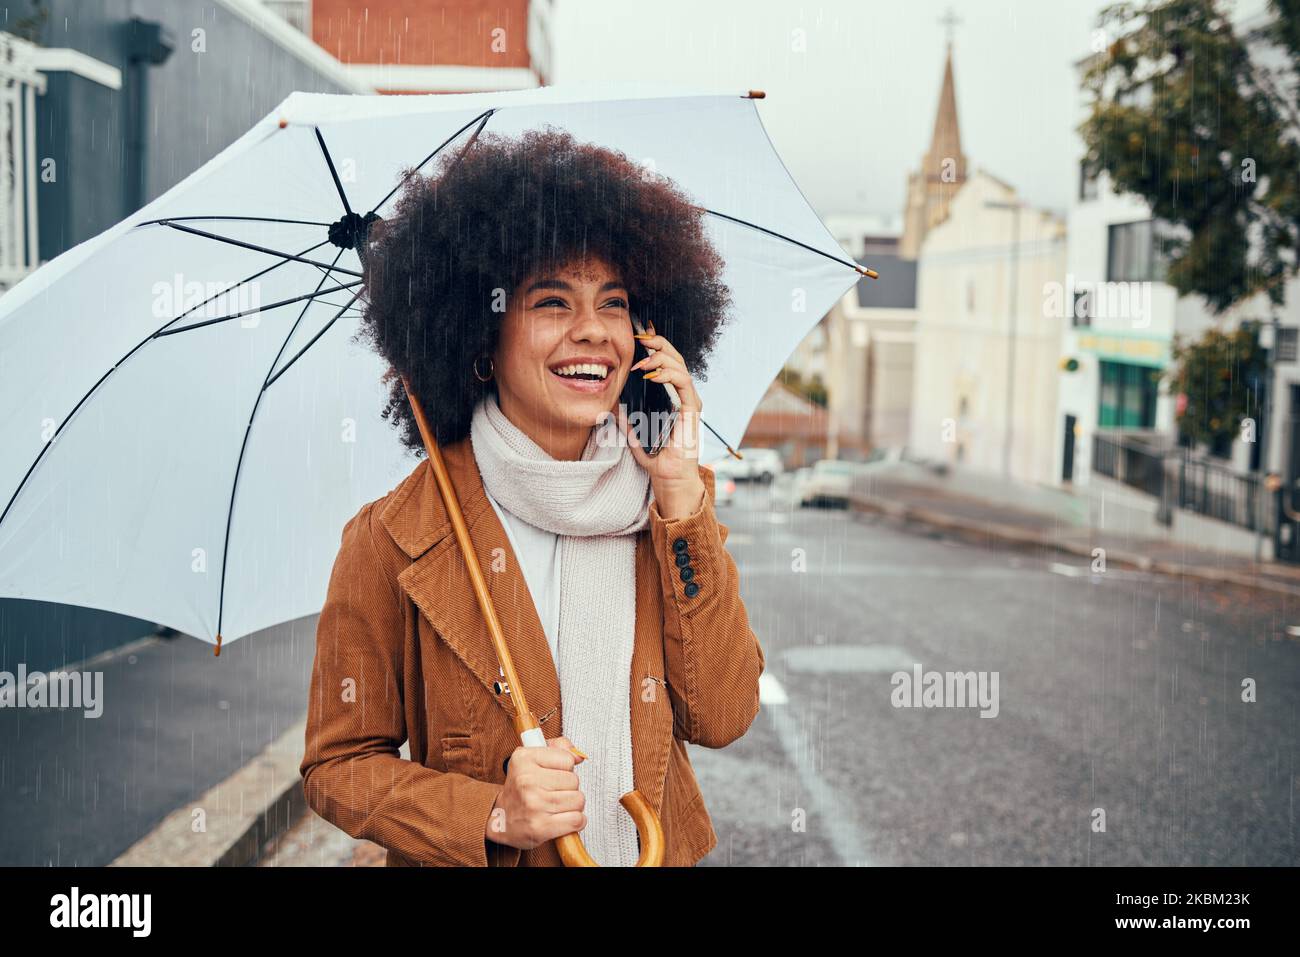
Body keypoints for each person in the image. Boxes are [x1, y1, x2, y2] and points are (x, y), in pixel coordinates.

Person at [299, 126, 765, 866]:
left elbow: (724, 711)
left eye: (614, 305)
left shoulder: (668, 507)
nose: (593, 333)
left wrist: (678, 494)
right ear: (481, 340)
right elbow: (337, 764)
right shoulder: (392, 537)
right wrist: (488, 811)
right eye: (553, 302)